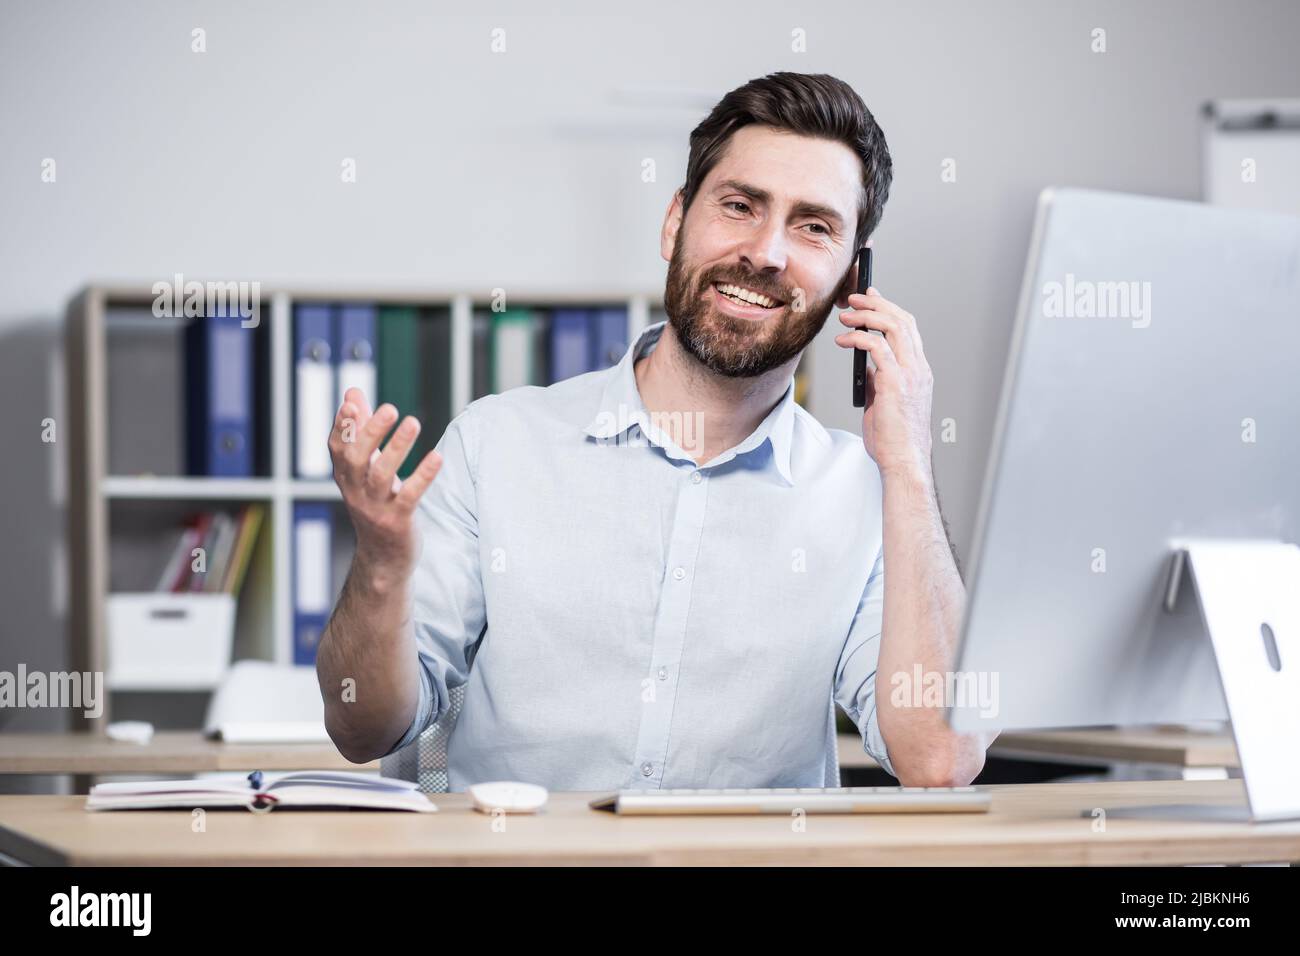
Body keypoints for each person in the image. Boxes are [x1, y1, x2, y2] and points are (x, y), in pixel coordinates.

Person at [317, 72, 990, 791]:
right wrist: (382, 568)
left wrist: (909, 462)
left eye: (814, 226)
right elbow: (363, 729)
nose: (765, 253)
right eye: (739, 206)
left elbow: (940, 760)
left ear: (853, 279)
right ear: (675, 223)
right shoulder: (496, 445)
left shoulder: (866, 492)